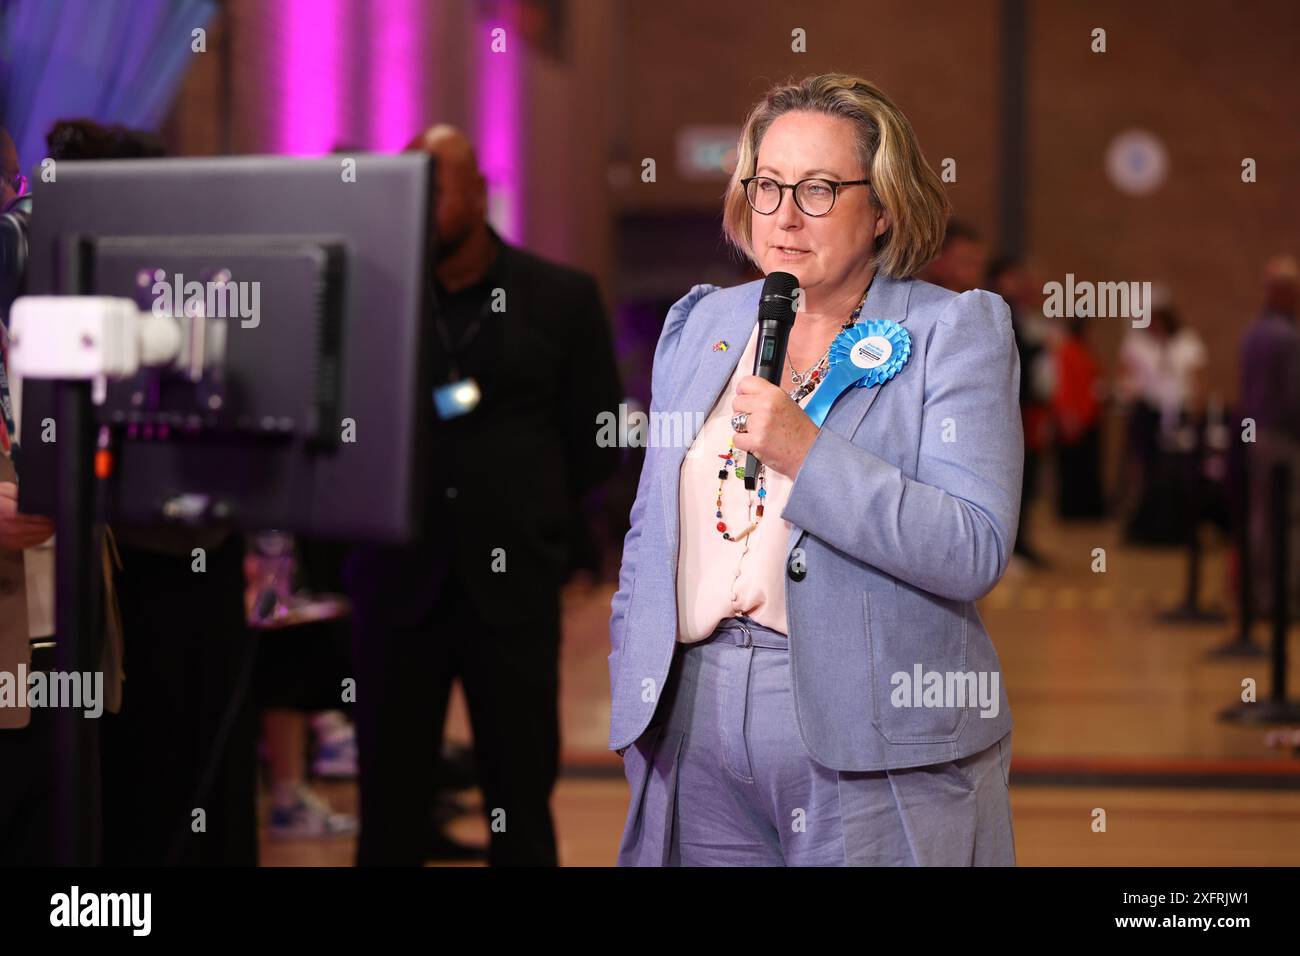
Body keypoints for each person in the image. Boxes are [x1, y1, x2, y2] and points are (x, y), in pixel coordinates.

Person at [611, 73, 1020, 866]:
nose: (785, 216)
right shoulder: (702, 323)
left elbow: (973, 547)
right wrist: (634, 684)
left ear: (886, 207)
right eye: (767, 185)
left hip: (873, 741)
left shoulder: (953, 332)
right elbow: (648, 527)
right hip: (692, 724)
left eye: (820, 189)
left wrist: (807, 452)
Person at [345, 125, 622, 866]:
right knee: (390, 797)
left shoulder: (558, 297)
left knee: (519, 796)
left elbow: (599, 437)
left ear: (477, 192)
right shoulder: (374, 296)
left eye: (436, 185)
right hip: (394, 576)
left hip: (514, 584)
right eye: (409, 185)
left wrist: (537, 517)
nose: (422, 201)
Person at [1240, 255, 1300, 617]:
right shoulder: (1287, 337)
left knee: (1260, 517)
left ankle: (1257, 595)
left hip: (1255, 434)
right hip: (1281, 437)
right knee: (1285, 520)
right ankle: (1280, 599)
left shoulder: (1253, 333)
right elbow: (1294, 397)